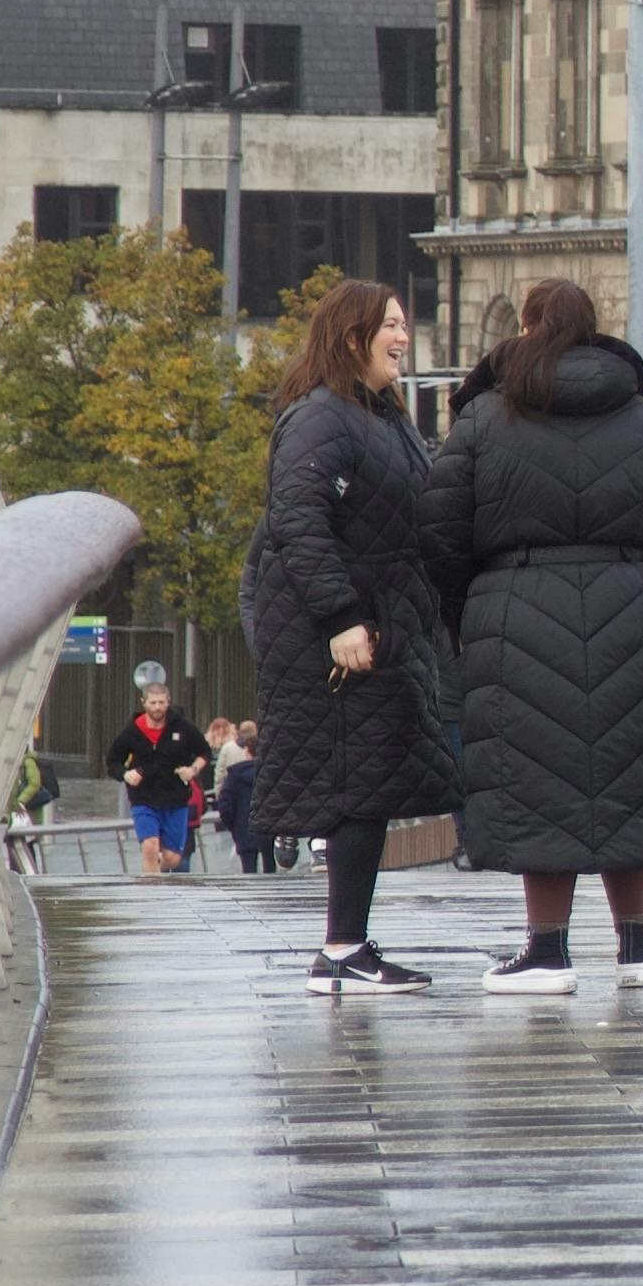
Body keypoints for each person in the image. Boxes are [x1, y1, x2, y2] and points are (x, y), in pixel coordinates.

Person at [426, 274, 643, 997]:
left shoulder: (486, 419)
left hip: (515, 611)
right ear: (590, 329)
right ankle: (637, 948)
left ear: (526, 327)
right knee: (628, 777)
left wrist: (472, 618)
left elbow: (441, 532)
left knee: (535, 780)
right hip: (628, 610)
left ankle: (547, 953)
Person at [243, 277, 463, 993]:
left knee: (366, 783)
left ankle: (347, 943)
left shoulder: (383, 416)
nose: (404, 337)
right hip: (340, 638)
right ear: (350, 338)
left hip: (383, 623)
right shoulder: (321, 419)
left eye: (404, 325)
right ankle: (340, 949)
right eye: (390, 327)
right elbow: (297, 523)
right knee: (353, 785)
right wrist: (340, 618)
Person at [106, 663, 204, 875]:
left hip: (176, 799)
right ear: (144, 703)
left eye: (161, 703)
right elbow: (112, 760)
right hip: (144, 799)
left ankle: (154, 872)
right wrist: (125, 774)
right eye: (153, 703)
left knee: (173, 857)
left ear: (168, 702)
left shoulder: (182, 727)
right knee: (150, 846)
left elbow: (204, 752)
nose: (157, 707)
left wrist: (193, 770)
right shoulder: (133, 731)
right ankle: (151, 894)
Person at [216, 716, 279, 874]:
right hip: (269, 828)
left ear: (246, 751)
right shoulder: (272, 774)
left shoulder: (234, 775)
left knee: (248, 871)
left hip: (243, 827)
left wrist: (233, 825)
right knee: (270, 867)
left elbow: (225, 804)